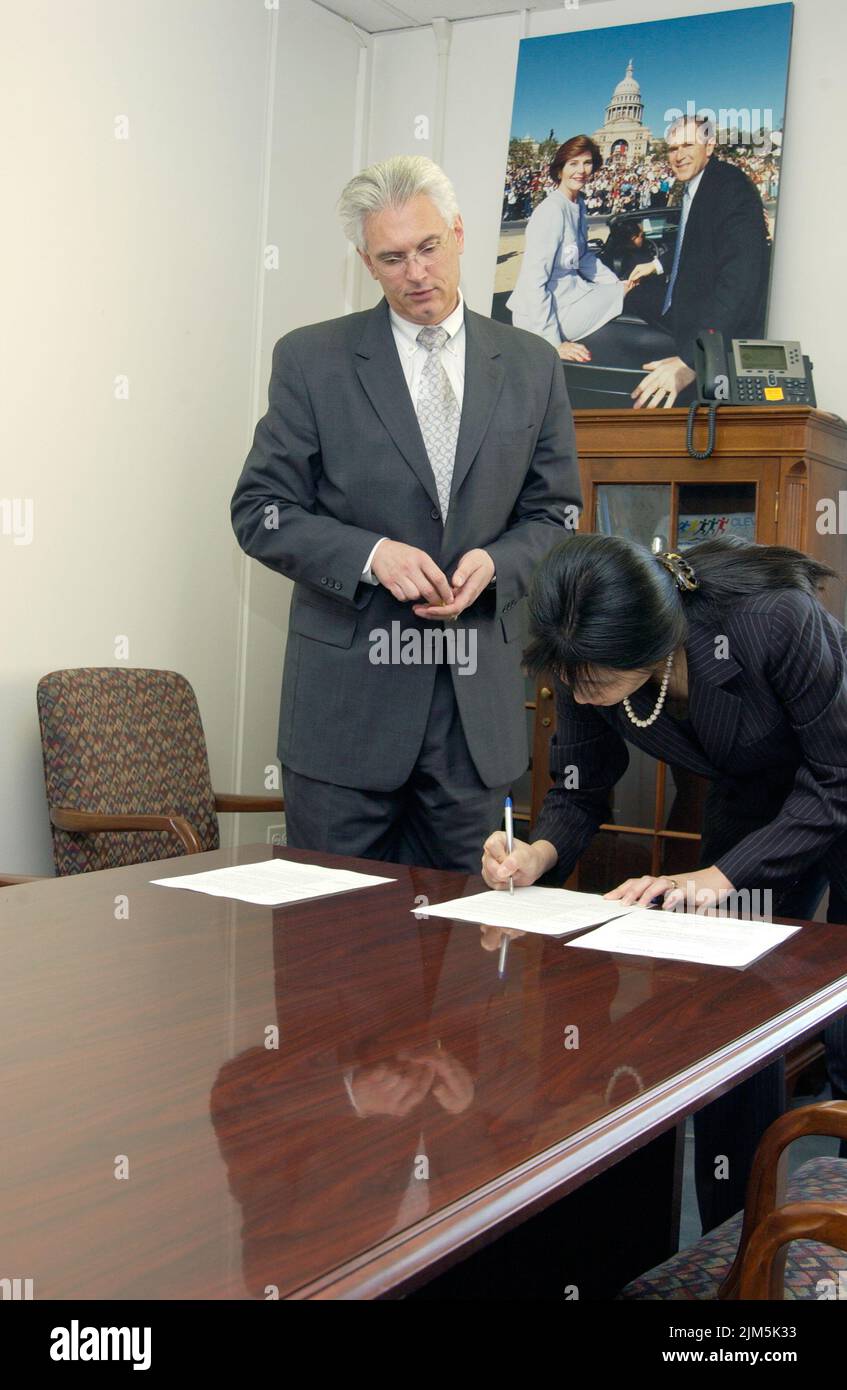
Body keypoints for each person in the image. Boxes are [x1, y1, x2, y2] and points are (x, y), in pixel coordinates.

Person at [481, 533, 847, 1231]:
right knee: (724, 1012)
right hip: (751, 797)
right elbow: (580, 788)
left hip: (840, 774)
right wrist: (537, 853)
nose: (579, 691)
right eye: (569, 677)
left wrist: (719, 874)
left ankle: (834, 1230)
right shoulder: (584, 660)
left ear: (652, 642)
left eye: (591, 676)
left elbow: (834, 779)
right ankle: (733, 1238)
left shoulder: (771, 619)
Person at [230, 155, 580, 873]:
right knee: (328, 959)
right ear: (366, 261)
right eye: (392, 258)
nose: (415, 272)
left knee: (477, 960)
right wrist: (370, 556)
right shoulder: (311, 360)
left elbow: (556, 513)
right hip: (343, 723)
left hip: (474, 720)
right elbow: (259, 510)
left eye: (427, 248)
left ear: (457, 233)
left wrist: (497, 564)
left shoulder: (531, 363)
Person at [631, 114, 771, 408]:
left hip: (712, 333)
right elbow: (693, 244)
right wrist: (657, 266)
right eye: (672, 148)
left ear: (709, 146)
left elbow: (740, 284)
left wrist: (692, 360)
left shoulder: (731, 188)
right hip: (681, 314)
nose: (678, 156)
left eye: (687, 145)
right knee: (626, 297)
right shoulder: (700, 183)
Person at [506, 136, 639, 365]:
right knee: (631, 294)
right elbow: (533, 281)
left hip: (569, 297)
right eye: (573, 163)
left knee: (628, 288)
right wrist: (552, 342)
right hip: (543, 314)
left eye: (587, 163)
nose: (581, 170)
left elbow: (583, 256)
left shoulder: (578, 204)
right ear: (560, 170)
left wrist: (615, 283)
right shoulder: (551, 211)